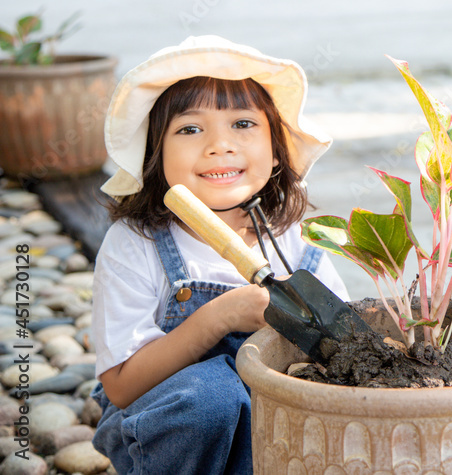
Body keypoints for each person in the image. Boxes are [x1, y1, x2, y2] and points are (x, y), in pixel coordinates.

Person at [90, 36, 350, 474]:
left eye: (243, 124)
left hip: (268, 435)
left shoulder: (297, 245)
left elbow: (343, 347)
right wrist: (220, 317)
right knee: (214, 396)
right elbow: (121, 386)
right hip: (166, 430)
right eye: (190, 129)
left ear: (275, 153)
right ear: (156, 155)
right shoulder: (137, 243)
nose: (219, 145)